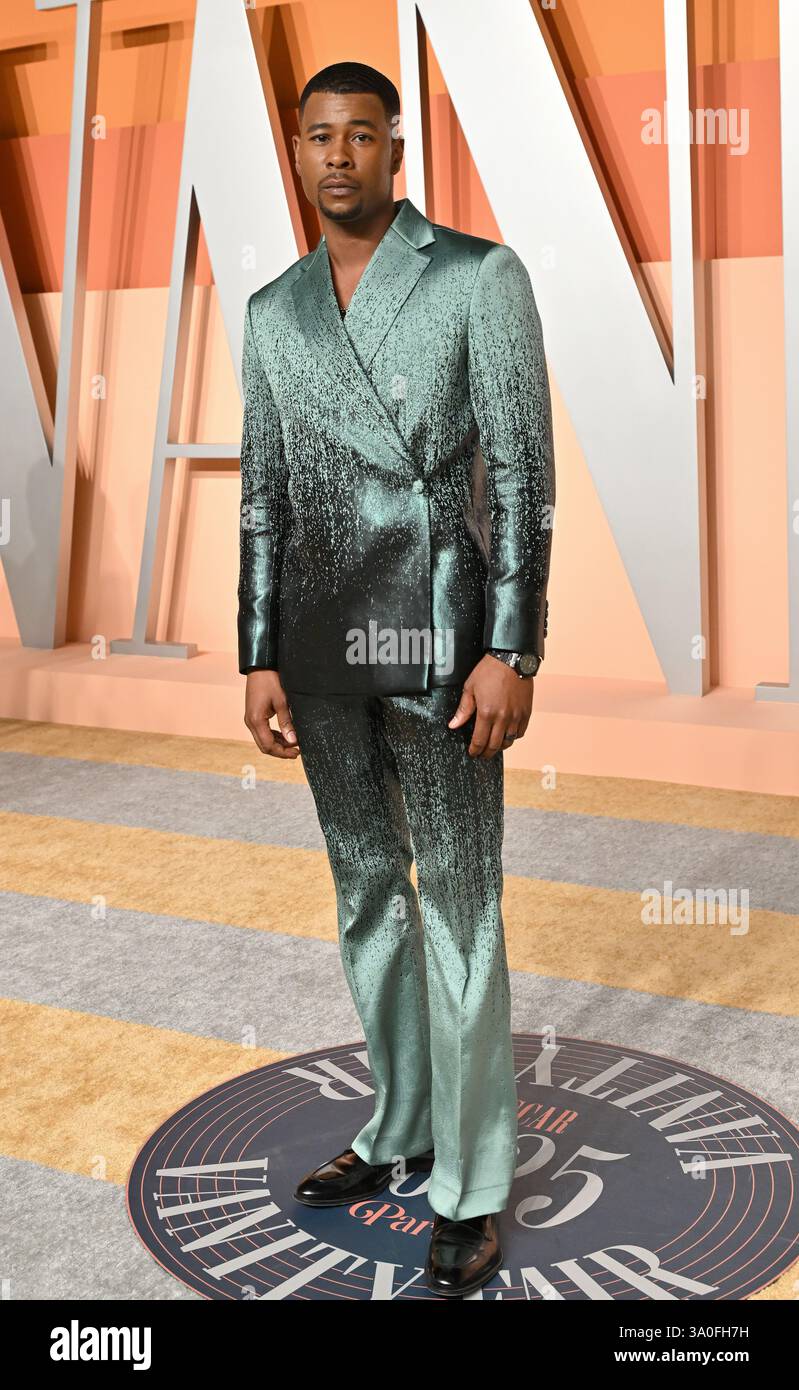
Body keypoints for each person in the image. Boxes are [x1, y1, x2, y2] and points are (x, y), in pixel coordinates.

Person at [237, 60, 555, 1297]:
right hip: (319, 647)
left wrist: (511, 644)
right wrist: (256, 644)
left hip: (440, 637)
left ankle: (473, 1183)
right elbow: (261, 493)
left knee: (459, 902)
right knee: (368, 883)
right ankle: (399, 1127)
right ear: (301, 150)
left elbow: (522, 475)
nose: (336, 157)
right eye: (317, 137)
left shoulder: (480, 276)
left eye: (360, 136)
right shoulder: (272, 312)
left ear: (394, 150)